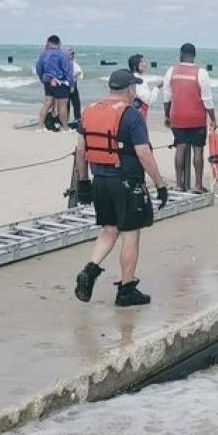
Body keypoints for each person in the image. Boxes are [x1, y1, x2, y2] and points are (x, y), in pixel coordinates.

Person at [73, 69, 170, 307]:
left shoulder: (89, 112)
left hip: (100, 181)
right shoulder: (132, 115)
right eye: (134, 87)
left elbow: (81, 151)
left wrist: (83, 182)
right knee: (130, 235)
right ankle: (126, 290)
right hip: (127, 183)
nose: (135, 91)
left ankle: (90, 269)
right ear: (128, 89)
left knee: (109, 229)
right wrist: (160, 183)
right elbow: (143, 153)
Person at [163, 43, 217, 193]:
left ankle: (179, 185)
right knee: (198, 150)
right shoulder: (201, 73)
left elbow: (167, 98)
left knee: (180, 148)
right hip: (196, 118)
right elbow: (207, 99)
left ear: (181, 54)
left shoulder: (171, 71)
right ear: (194, 55)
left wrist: (167, 116)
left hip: (177, 116)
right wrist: (213, 119)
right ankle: (198, 185)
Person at [36, 35, 74, 131]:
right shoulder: (62, 54)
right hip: (60, 82)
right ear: (59, 43)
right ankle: (64, 127)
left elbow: (39, 68)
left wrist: (43, 79)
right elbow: (68, 70)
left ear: (49, 43)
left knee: (47, 104)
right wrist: (71, 84)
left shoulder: (44, 54)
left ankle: (40, 126)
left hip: (47, 81)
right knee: (62, 105)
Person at [67, 47, 84, 127]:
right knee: (66, 104)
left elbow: (79, 72)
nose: (72, 55)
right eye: (70, 54)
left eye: (73, 54)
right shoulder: (66, 63)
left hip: (73, 84)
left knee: (76, 103)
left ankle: (77, 118)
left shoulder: (73, 63)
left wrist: (75, 75)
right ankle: (65, 118)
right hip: (67, 85)